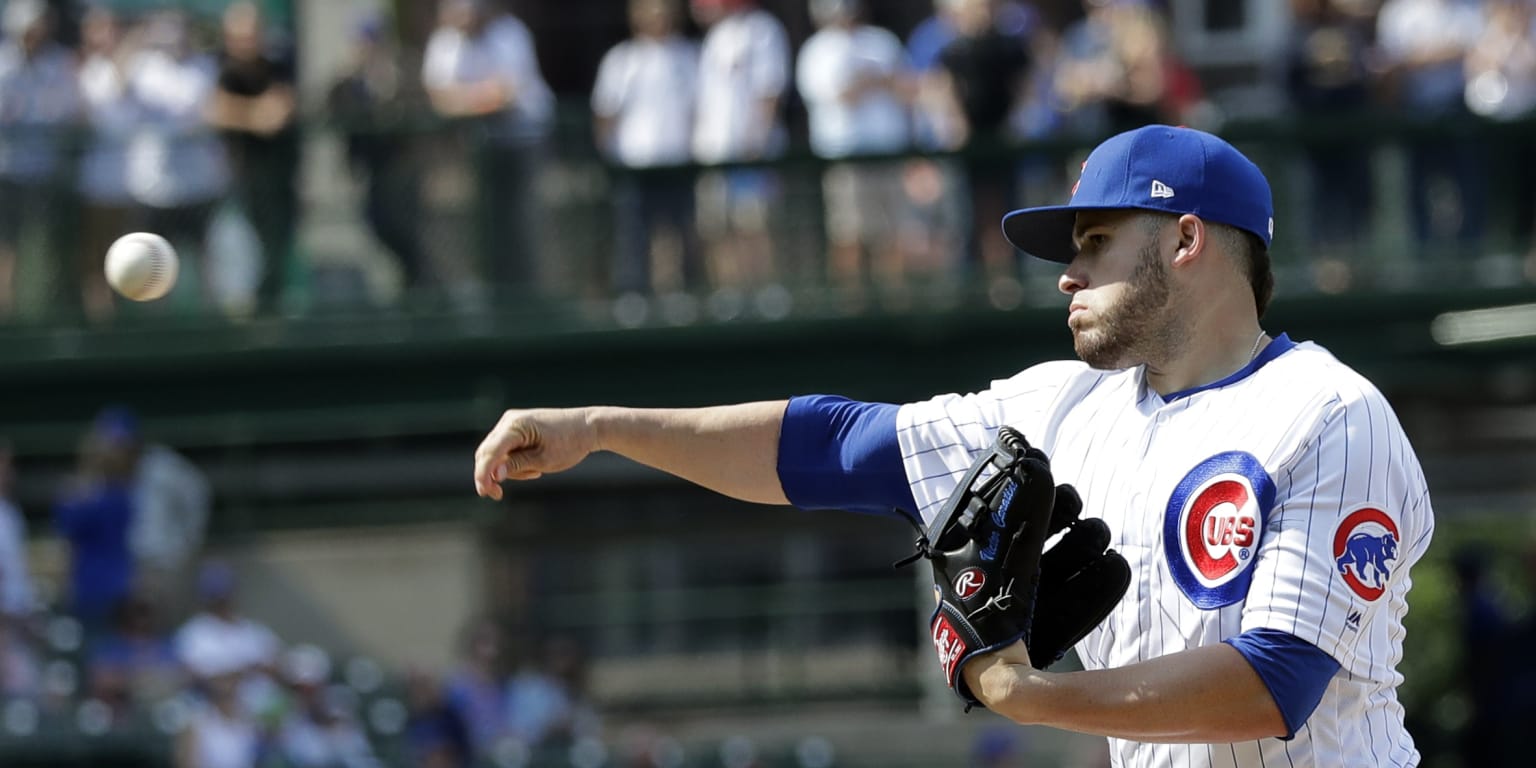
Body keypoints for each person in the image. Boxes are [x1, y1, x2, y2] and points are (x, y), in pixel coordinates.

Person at [472, 125, 1434, 765]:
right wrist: (603, 429)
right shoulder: (1065, 406)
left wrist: (1024, 691)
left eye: (1095, 241)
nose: (1068, 275)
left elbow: (1273, 684)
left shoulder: (1329, 413)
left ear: (1187, 240)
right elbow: (834, 448)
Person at [422, 0, 554, 300]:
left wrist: (461, 99)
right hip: (477, 148)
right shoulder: (445, 41)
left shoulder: (510, 33)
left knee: (521, 222)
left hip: (523, 142)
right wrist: (477, 97)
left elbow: (504, 95)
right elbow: (437, 97)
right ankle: (487, 295)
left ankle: (527, 294)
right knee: (477, 226)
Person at [591, 0, 704, 300]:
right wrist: (608, 159)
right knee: (633, 235)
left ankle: (679, 293)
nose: (657, 19)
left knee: (679, 232)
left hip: (678, 162)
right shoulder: (621, 60)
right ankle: (634, 295)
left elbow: (699, 110)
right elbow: (605, 113)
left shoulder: (688, 55)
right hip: (634, 164)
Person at [206, 1, 300, 315]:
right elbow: (214, 110)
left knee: (275, 255)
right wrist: (251, 114)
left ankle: (267, 319)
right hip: (235, 183)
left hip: (278, 180)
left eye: (251, 34)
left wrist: (243, 113)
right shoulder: (222, 70)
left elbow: (277, 113)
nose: (246, 42)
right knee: (237, 261)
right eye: (239, 36)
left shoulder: (278, 66)